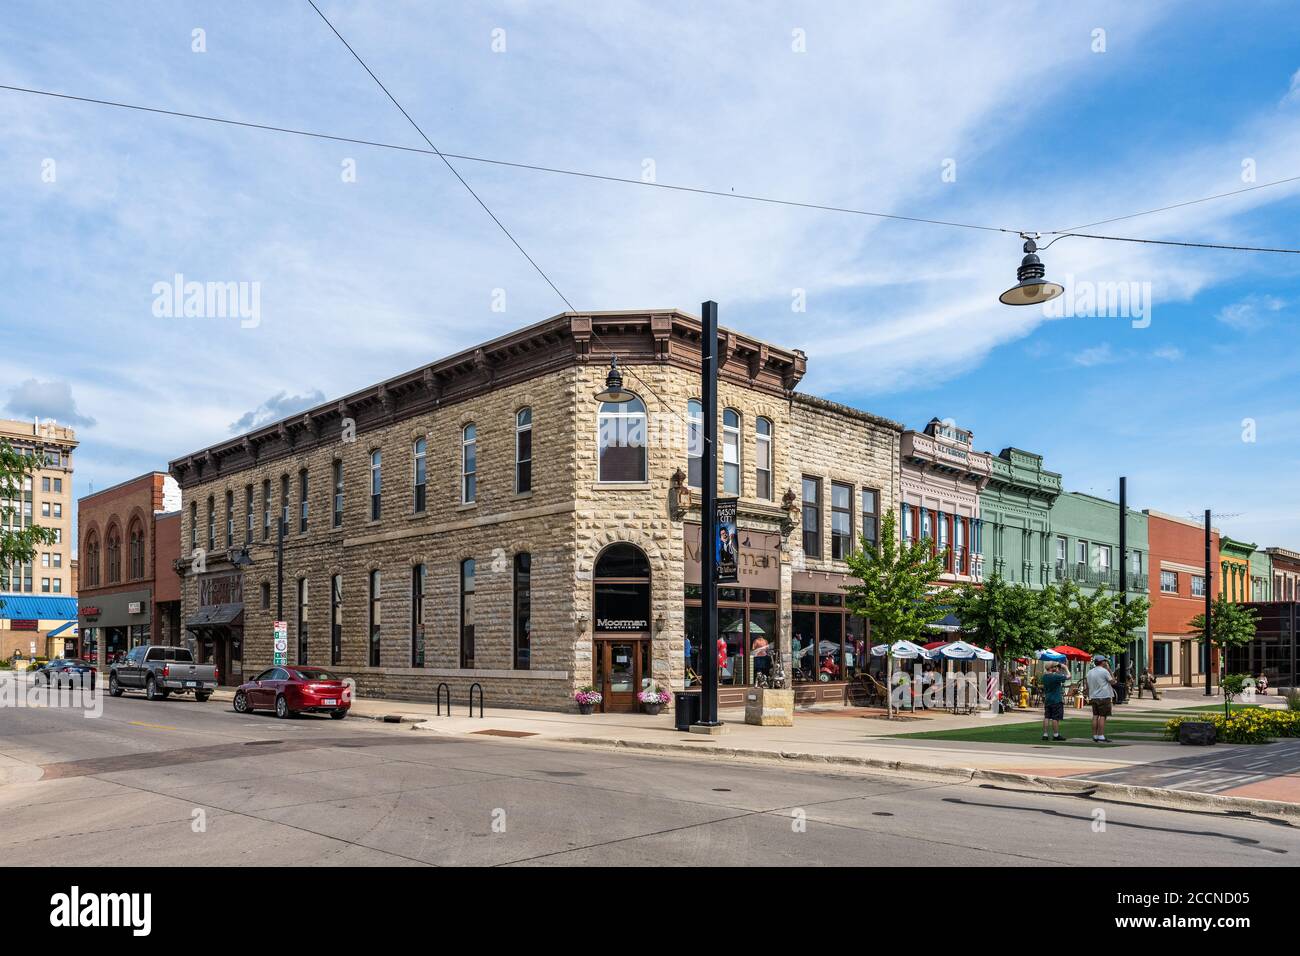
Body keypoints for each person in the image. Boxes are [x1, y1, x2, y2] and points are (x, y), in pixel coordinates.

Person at [1086, 655, 1117, 743]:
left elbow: (1087, 685)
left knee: (1095, 716)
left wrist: (1089, 695)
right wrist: (1109, 670)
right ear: (1102, 662)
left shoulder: (1090, 672)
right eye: (1105, 661)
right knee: (1103, 716)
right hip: (1104, 696)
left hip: (1094, 696)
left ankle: (1095, 736)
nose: (1106, 662)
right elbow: (1113, 682)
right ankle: (1101, 736)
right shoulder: (1104, 672)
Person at [1040, 663, 1069, 740]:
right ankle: (1056, 735)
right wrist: (1066, 668)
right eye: (1055, 666)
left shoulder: (1045, 676)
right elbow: (1069, 677)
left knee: (1047, 717)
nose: (1057, 667)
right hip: (1056, 699)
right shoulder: (1055, 676)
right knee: (1055, 718)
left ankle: (1045, 734)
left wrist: (1058, 671)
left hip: (1048, 699)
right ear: (1051, 668)